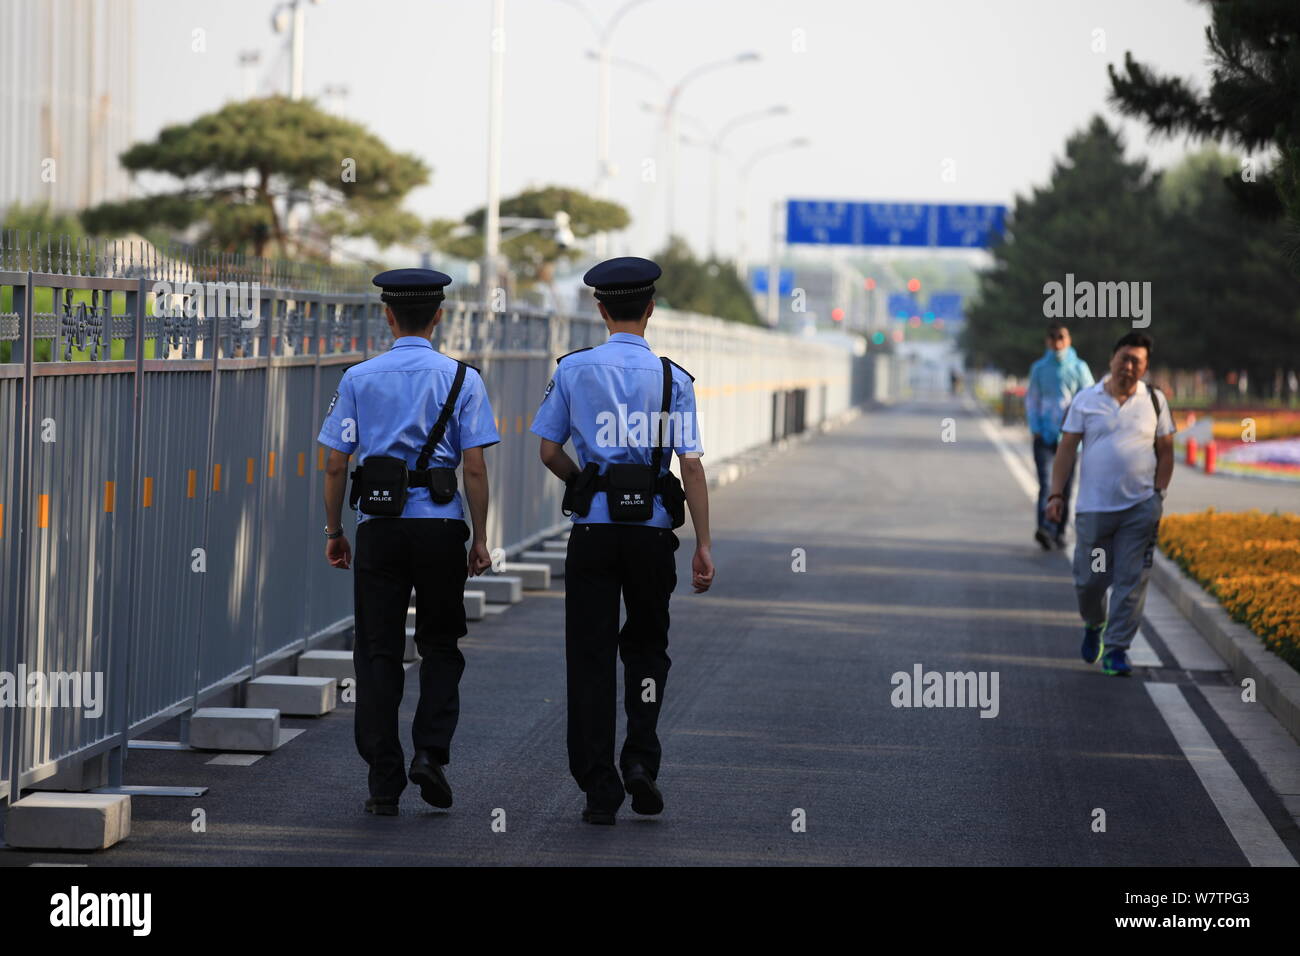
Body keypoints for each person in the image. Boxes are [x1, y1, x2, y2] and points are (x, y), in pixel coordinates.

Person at [530, 256, 715, 825]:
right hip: (652, 535)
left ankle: (598, 787)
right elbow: (692, 466)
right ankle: (640, 760)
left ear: (600, 309)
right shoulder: (672, 379)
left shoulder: (574, 371)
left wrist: (585, 484)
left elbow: (548, 451)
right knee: (646, 651)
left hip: (593, 533)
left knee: (589, 659)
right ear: (651, 308)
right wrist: (704, 544)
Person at [317, 268, 500, 815]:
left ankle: (383, 779)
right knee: (441, 643)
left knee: (378, 651)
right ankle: (431, 754)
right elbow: (474, 468)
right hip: (441, 527)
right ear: (439, 317)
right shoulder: (464, 380)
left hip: (379, 529)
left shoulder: (359, 378)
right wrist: (480, 539)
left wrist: (334, 531)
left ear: (388, 316)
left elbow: (334, 464)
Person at [1045, 331, 1175, 677]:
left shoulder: (1155, 401)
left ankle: (1116, 649)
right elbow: (1066, 449)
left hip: (1139, 509)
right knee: (1091, 580)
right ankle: (1093, 623)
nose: (1129, 367)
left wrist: (1158, 496)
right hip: (1095, 511)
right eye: (1125, 359)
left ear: (1145, 368)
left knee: (1130, 580)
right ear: (1112, 360)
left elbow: (1166, 452)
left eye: (1138, 362)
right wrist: (1055, 494)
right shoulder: (1086, 400)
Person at [1026, 322, 1093, 550]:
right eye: (1053, 337)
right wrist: (1035, 428)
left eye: (1061, 337)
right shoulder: (1039, 369)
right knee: (1046, 484)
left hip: (1070, 438)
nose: (1057, 341)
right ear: (1047, 340)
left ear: (1069, 340)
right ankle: (1045, 528)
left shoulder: (1079, 368)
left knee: (1065, 486)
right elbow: (1032, 400)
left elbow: (1088, 399)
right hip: (1044, 435)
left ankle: (1061, 530)